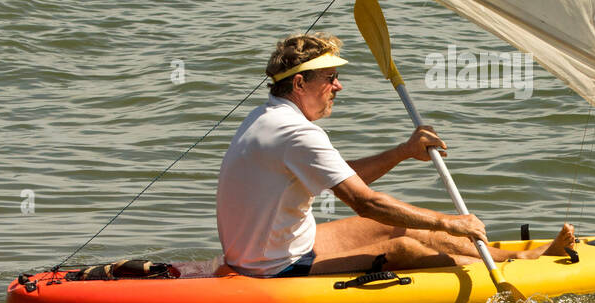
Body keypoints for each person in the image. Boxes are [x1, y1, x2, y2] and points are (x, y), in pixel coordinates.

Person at [217, 32, 576, 277]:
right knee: (404, 246)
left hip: (269, 248)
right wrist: (448, 221)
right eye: (329, 77)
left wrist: (404, 152)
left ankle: (522, 257)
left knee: (395, 224)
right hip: (272, 266)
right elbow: (364, 202)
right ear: (299, 84)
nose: (338, 86)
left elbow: (340, 179)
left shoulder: (268, 117)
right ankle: (509, 271)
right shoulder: (297, 132)